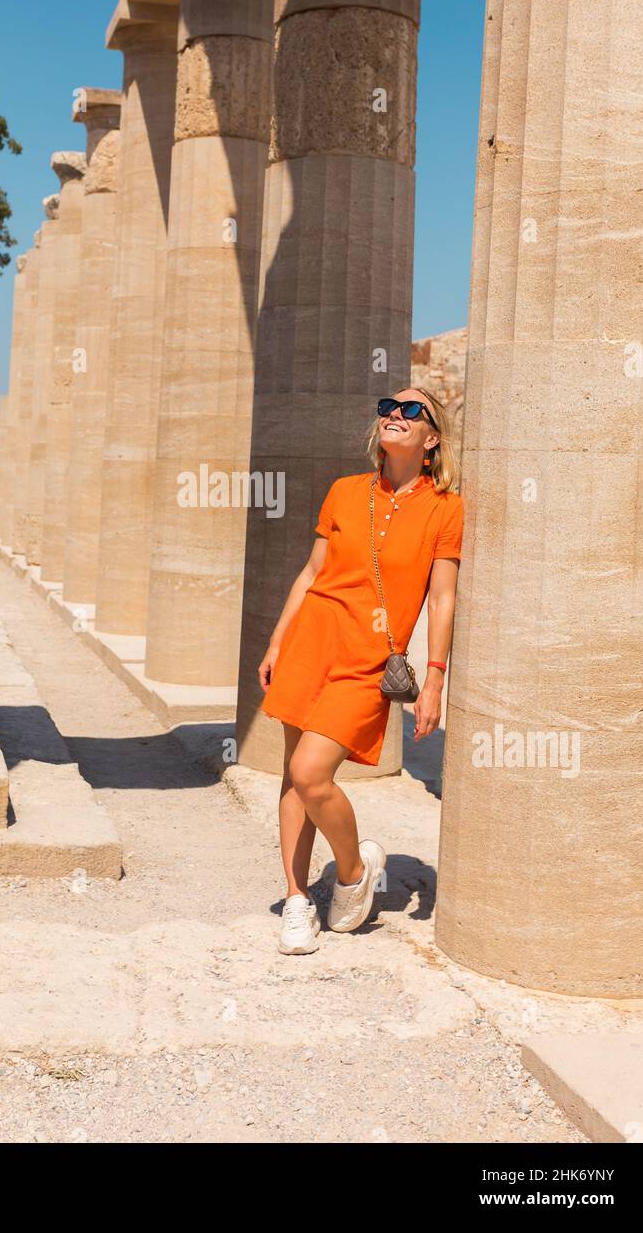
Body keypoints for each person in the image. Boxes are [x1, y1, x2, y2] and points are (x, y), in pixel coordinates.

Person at [258, 387, 463, 954]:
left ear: (432, 438)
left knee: (311, 772)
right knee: (292, 775)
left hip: (368, 659)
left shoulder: (445, 507)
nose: (395, 414)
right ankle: (297, 899)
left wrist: (436, 677)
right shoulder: (345, 492)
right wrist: (277, 642)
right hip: (309, 642)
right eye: (387, 408)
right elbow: (310, 573)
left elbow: (442, 597)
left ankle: (351, 872)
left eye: (411, 410)